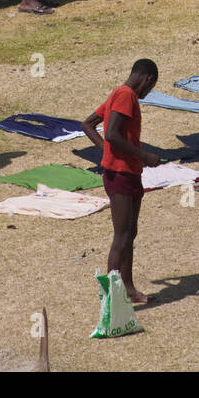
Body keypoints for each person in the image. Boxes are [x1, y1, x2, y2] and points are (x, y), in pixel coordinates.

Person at [80, 59, 161, 305]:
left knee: (130, 232)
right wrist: (143, 155)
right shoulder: (126, 96)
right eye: (151, 87)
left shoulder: (118, 93)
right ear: (147, 79)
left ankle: (128, 288)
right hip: (121, 174)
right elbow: (112, 133)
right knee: (122, 237)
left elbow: (88, 124)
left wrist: (107, 151)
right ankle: (112, 298)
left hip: (126, 172)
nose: (148, 93)